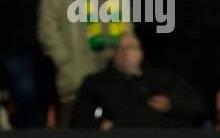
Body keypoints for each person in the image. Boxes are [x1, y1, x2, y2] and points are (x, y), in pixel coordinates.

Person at [73, 33, 205, 129]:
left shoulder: (165, 80)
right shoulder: (97, 84)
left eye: (129, 47)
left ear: (140, 52)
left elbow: (195, 105)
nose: (123, 52)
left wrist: (171, 104)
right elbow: (84, 115)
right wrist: (102, 123)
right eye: (119, 48)